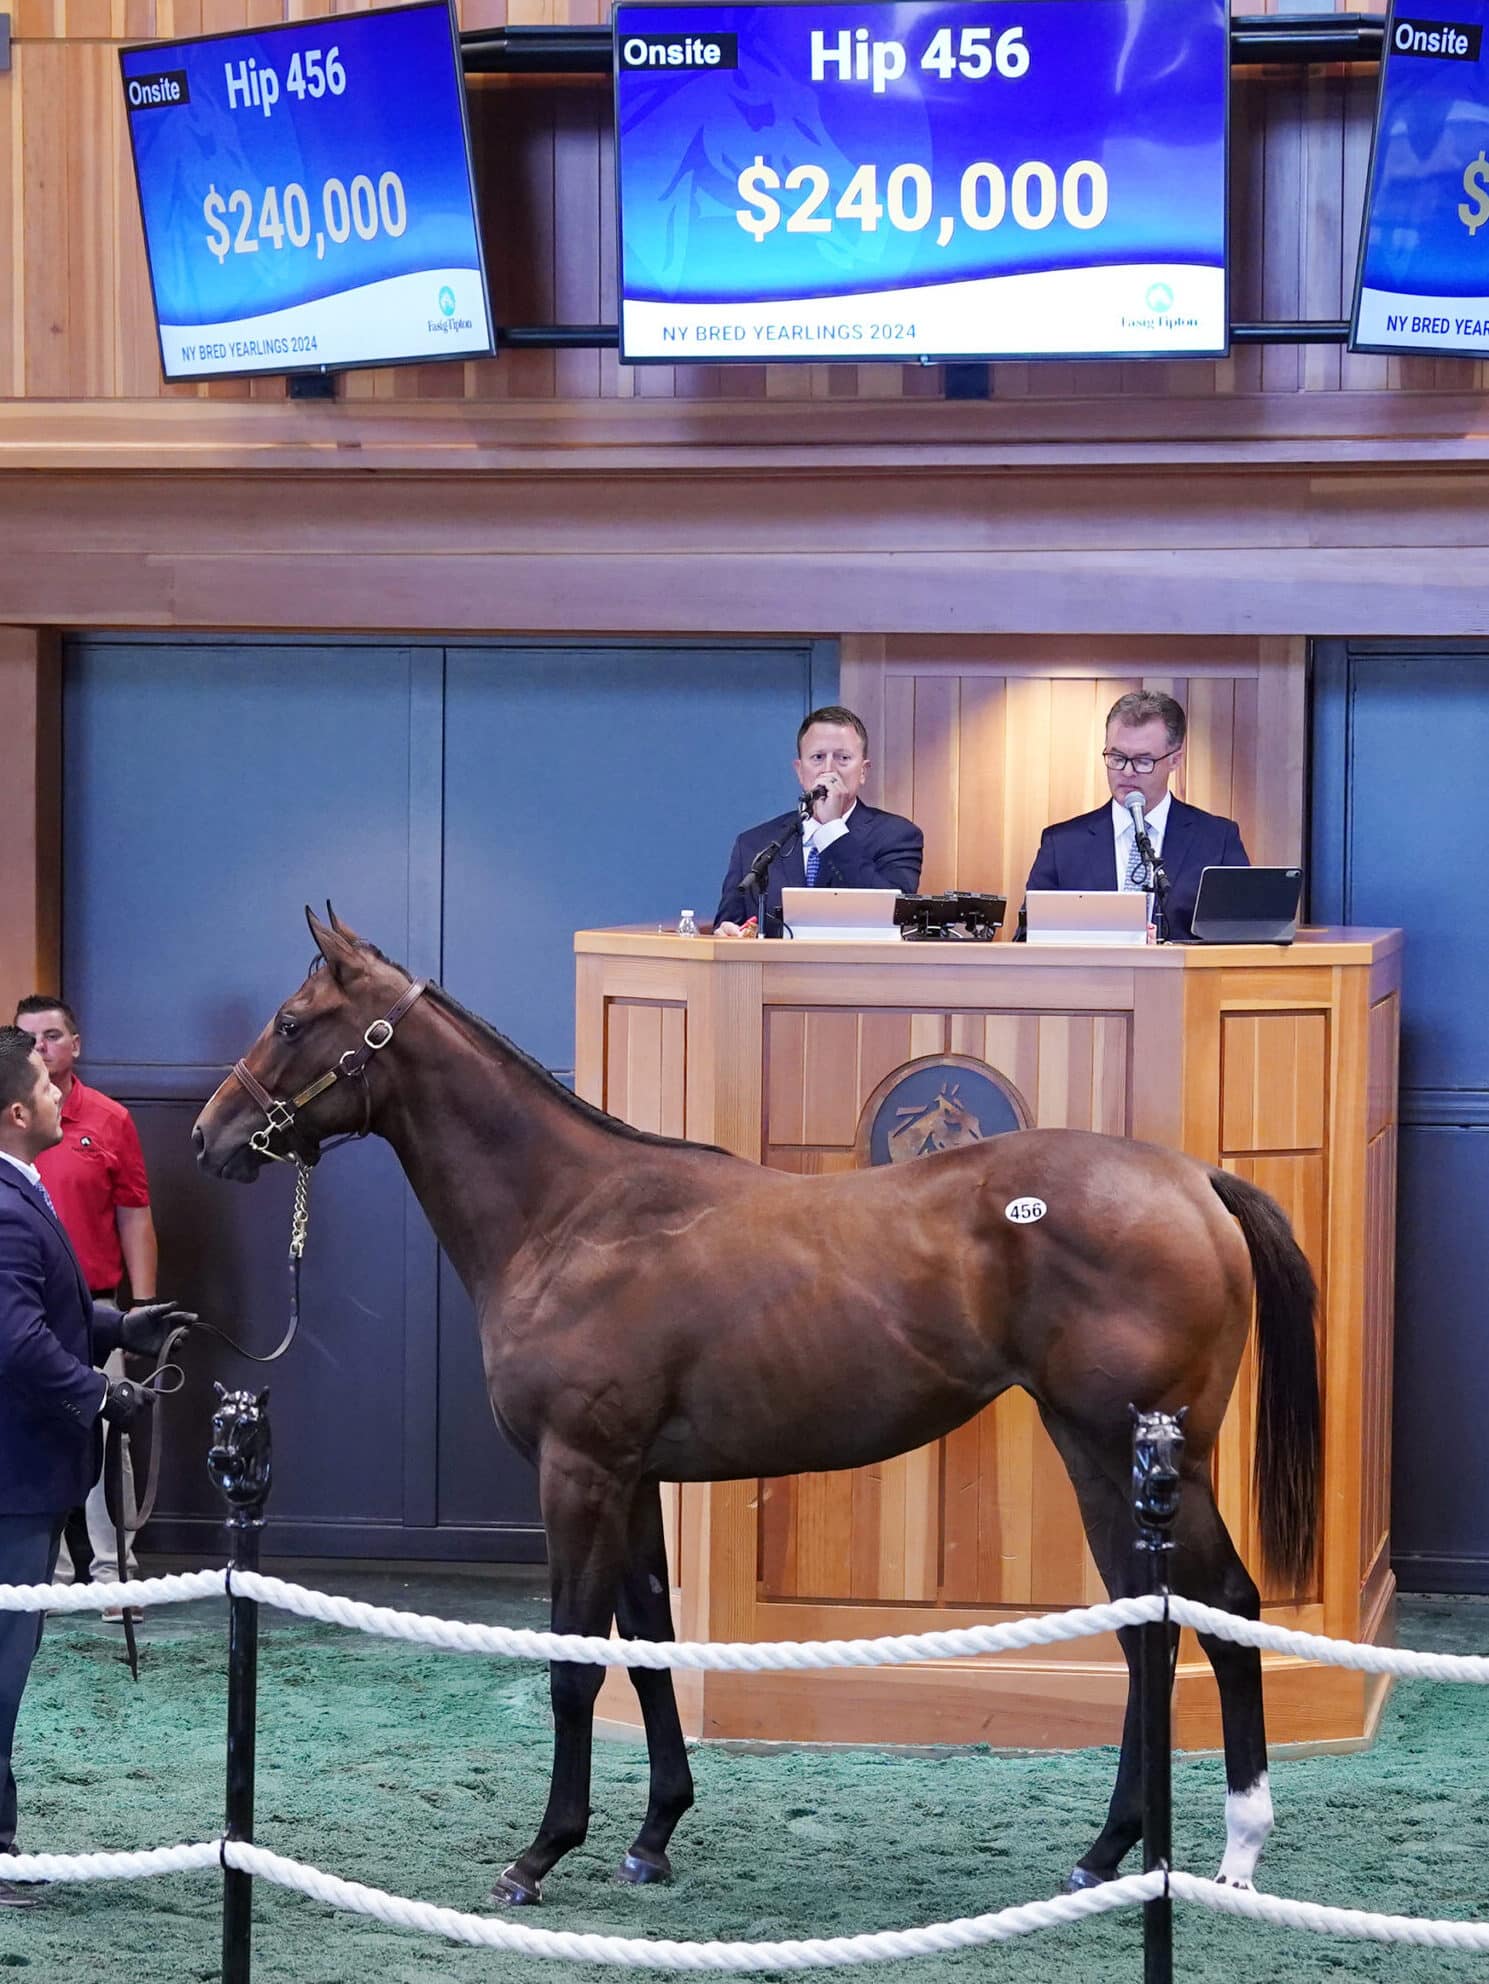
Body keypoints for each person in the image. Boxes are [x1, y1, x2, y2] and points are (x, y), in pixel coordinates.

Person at [0, 1027, 192, 1905]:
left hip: (25, 1477)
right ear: (15, 1111)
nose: (56, 1098)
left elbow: (47, 1312)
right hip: (12, 1483)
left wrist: (123, 1327)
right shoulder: (6, 1205)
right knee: (1, 1663)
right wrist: (101, 1393)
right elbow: (15, 1340)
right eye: (44, 1087)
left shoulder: (20, 1190)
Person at [14, 998, 159, 1614]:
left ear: (75, 1043)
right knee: (29, 1440)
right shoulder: (13, 1138)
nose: (42, 1048)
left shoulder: (109, 1119)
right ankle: (42, 1580)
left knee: (107, 1443)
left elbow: (135, 1213)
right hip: (23, 1321)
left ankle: (114, 1576)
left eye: (52, 1037)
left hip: (94, 1315)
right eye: (30, 1041)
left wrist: (138, 1312)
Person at [1023, 690, 1249, 942]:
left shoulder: (1217, 840)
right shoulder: (1062, 844)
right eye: (1117, 758)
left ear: (1175, 760)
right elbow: (1026, 943)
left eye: (1143, 761)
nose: (1127, 772)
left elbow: (1240, 942)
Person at [713, 706, 923, 935]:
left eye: (843, 758)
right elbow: (729, 925)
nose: (828, 770)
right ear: (800, 771)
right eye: (818, 757)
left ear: (863, 771)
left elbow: (894, 914)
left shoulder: (898, 835)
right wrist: (726, 932)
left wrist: (833, 830)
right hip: (774, 970)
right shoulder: (754, 843)